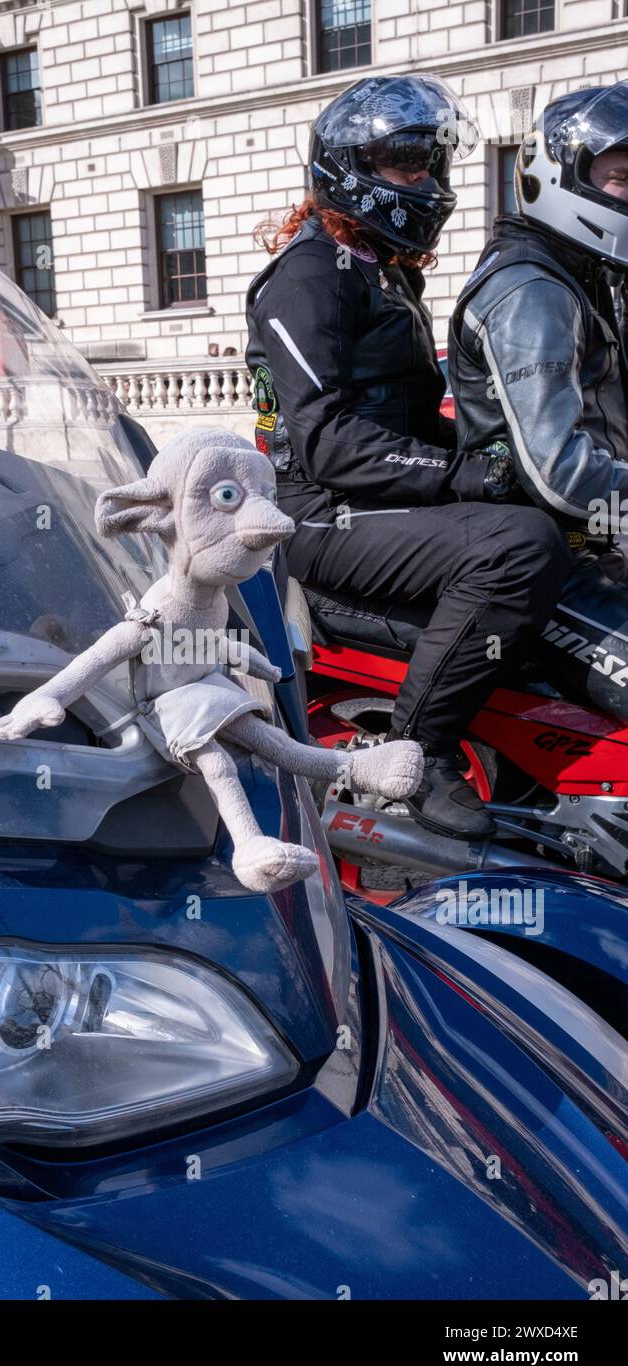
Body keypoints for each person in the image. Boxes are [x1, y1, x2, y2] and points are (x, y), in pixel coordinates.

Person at [245, 73, 570, 840]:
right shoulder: (308, 277)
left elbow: (414, 416)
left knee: (556, 519)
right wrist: (466, 475)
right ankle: (420, 755)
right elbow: (325, 438)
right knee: (519, 547)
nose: (428, 183)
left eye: (432, 165)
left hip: (375, 500)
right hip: (318, 518)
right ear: (352, 168)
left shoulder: (379, 271)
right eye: (407, 166)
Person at [450, 82, 628, 718]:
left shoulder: (586, 275)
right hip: (559, 557)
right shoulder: (531, 289)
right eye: (621, 178)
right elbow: (560, 473)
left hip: (596, 543)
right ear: (562, 178)